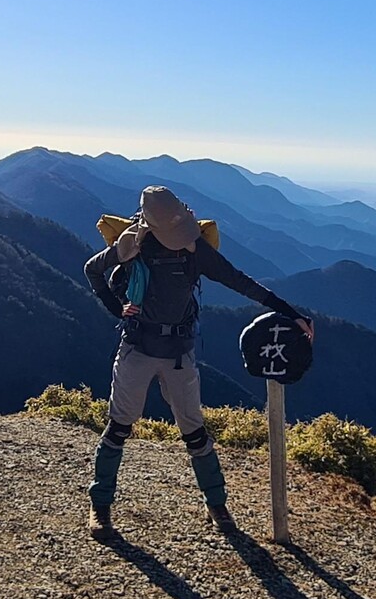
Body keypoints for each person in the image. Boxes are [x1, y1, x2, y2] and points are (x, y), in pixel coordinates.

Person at [81, 185, 312, 537]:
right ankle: (101, 508)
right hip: (147, 347)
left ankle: (216, 505)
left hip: (167, 351)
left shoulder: (193, 249)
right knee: (120, 428)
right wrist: (117, 309)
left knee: (193, 432)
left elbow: (240, 282)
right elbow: (92, 270)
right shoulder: (133, 244)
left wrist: (290, 313)